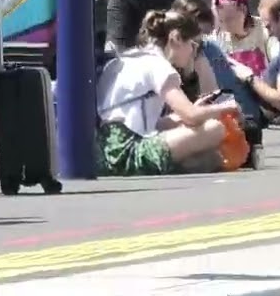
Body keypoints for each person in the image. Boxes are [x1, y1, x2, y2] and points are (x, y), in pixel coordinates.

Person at [96, 10, 243, 177]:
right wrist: (227, 107)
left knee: (184, 128)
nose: (193, 51)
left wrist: (186, 115)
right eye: (192, 44)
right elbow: (191, 116)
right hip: (131, 153)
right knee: (215, 128)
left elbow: (150, 124)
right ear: (176, 38)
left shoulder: (122, 60)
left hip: (106, 154)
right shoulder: (158, 66)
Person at [170, 0, 261, 125]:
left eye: (203, 35)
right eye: (192, 37)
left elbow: (225, 93)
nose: (197, 43)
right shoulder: (163, 61)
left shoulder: (208, 49)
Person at [213, 0, 271, 77]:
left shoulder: (265, 29)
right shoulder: (217, 36)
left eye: (229, 19)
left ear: (243, 10)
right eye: (220, 21)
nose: (225, 26)